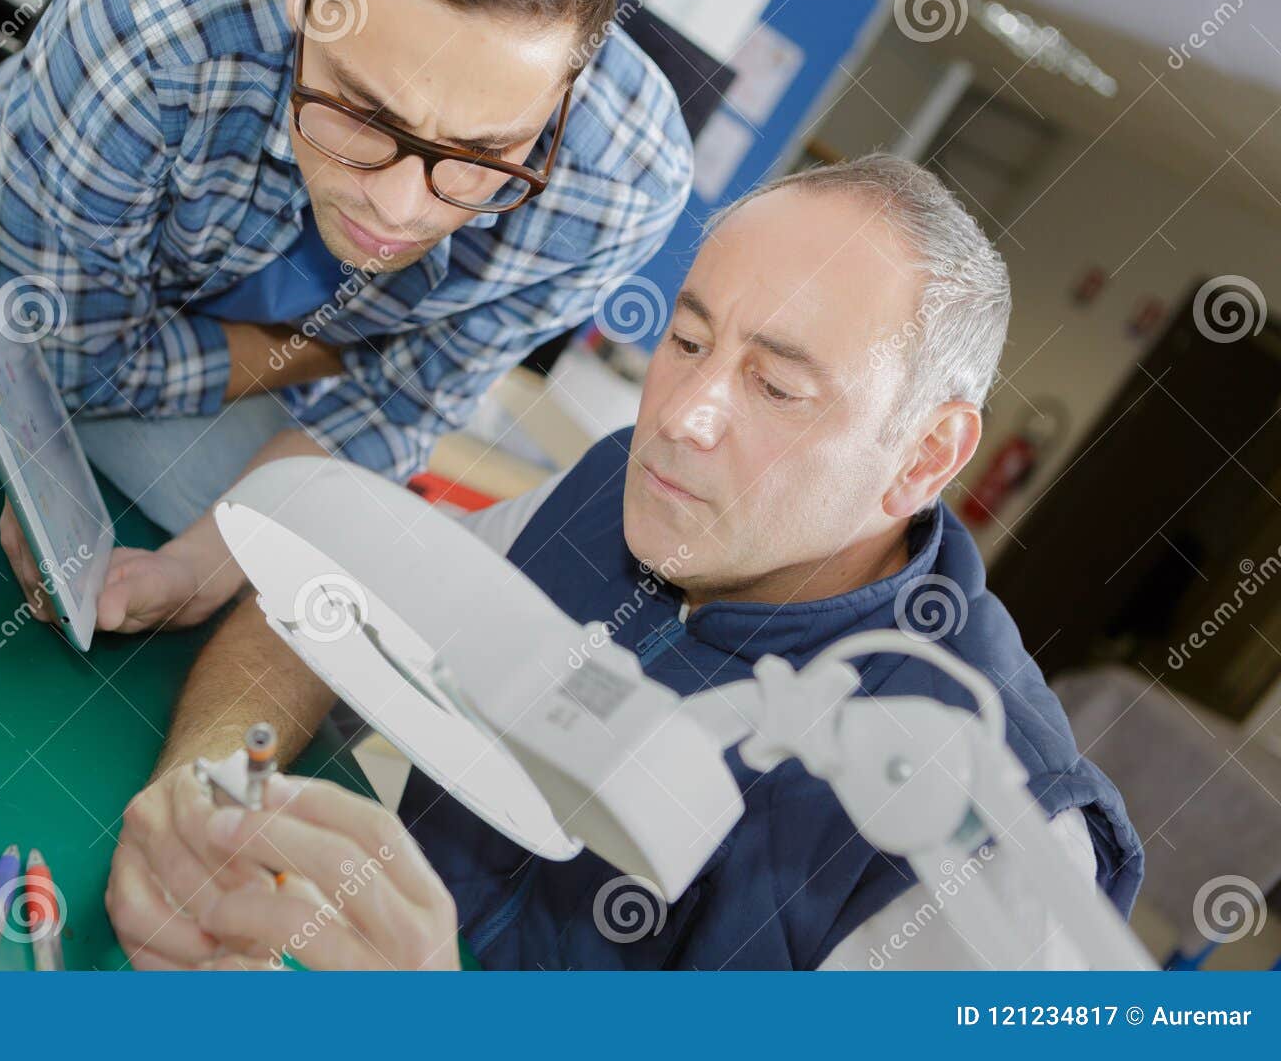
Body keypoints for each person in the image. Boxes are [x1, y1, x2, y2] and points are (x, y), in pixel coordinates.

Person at [102, 154, 1145, 970]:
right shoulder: (616, 496)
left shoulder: (997, 840)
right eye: (688, 343)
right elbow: (324, 608)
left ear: (923, 455)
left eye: (776, 390)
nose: (682, 419)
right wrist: (210, 799)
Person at [0, 0, 691, 633]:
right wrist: (327, 354)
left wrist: (202, 569)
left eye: (488, 152)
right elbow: (61, 362)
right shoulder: (151, 6)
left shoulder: (623, 184)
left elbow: (399, 411)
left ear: (575, 75)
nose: (403, 210)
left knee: (297, 613)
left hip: (212, 380)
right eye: (365, 113)